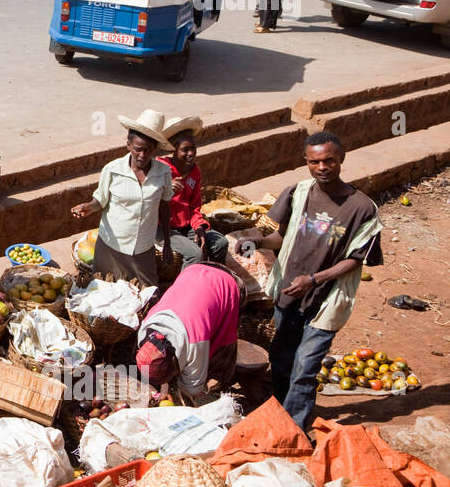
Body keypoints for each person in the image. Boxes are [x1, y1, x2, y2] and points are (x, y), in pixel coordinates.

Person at [249, 132, 382, 432]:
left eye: (328, 160)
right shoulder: (298, 193)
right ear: (306, 162)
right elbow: (280, 237)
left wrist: (314, 279)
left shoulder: (362, 208)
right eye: (314, 162)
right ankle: (281, 412)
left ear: (341, 159)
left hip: (327, 298)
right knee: (281, 358)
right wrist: (256, 241)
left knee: (305, 367)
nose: (322, 167)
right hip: (289, 292)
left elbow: (356, 259)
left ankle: (293, 428)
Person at [72, 110, 176, 285]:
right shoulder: (112, 170)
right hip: (111, 246)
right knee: (105, 291)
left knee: (148, 295)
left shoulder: (163, 172)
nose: (142, 155)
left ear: (155, 149)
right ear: (128, 144)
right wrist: (88, 207)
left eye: (148, 150)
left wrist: (167, 243)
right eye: (138, 149)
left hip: (143, 248)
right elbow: (100, 201)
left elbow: (165, 208)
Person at [135, 263, 243, 404]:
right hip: (193, 270)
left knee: (220, 350)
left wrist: (182, 400)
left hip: (227, 283)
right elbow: (161, 356)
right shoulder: (145, 331)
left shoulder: (196, 341)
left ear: (174, 361)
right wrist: (164, 388)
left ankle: (220, 385)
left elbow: (192, 387)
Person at [158, 117, 228, 268]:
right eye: (185, 150)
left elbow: (195, 206)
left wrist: (198, 226)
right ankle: (185, 290)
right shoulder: (161, 169)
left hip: (185, 225)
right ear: (174, 150)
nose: (191, 153)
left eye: (193, 148)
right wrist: (166, 189)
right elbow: (149, 199)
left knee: (220, 243)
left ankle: (214, 278)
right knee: (194, 254)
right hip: (163, 227)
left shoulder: (195, 172)